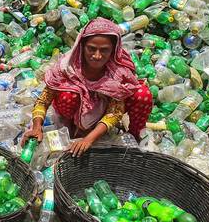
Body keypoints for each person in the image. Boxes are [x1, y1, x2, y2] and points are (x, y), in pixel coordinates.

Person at [21, 17, 152, 156]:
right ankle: (71, 129)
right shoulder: (67, 67)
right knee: (68, 95)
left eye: (104, 50)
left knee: (142, 94)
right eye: (91, 49)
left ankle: (135, 136)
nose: (97, 56)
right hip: (73, 109)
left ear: (113, 50)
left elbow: (115, 111)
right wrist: (36, 127)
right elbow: (43, 100)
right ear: (82, 46)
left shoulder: (118, 71)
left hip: (103, 112)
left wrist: (89, 139)